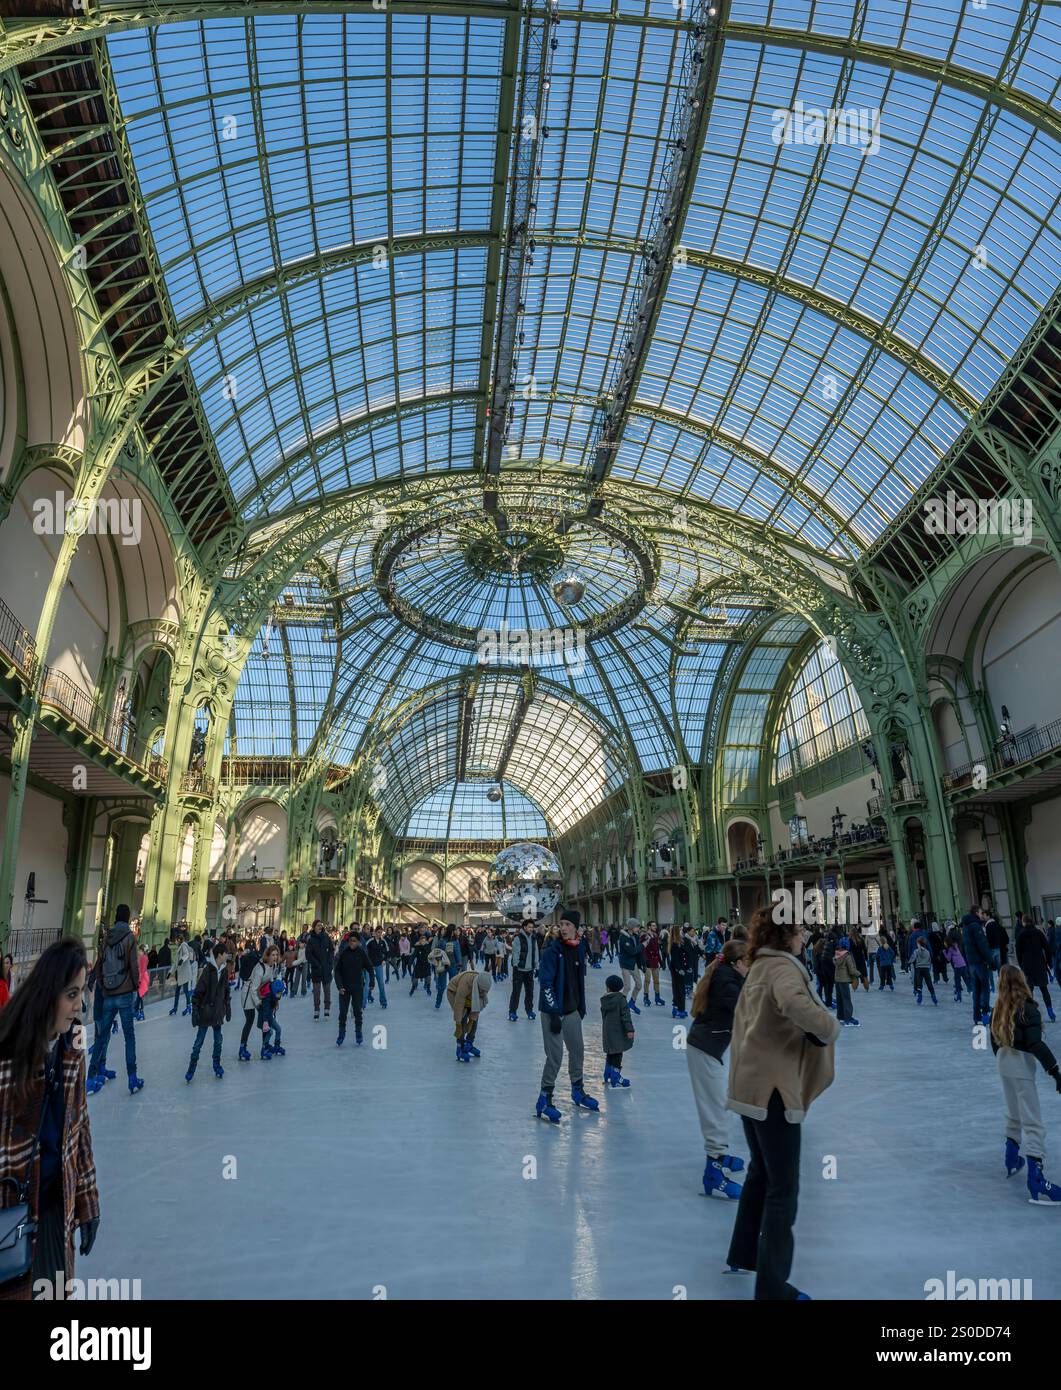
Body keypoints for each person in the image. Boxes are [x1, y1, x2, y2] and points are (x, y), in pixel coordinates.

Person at [725, 908, 840, 1300]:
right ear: (787, 932)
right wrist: (829, 1026)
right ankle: (773, 1289)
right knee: (783, 1189)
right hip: (774, 1092)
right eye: (801, 927)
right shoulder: (783, 968)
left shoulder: (759, 966)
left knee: (760, 1171)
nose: (805, 934)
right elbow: (796, 1006)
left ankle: (743, 1251)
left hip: (749, 1086)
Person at [0, 939, 100, 1302]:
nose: (80, 1004)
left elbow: (81, 1127)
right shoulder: (8, 1055)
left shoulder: (72, 1047)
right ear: (48, 993)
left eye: (82, 992)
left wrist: (88, 1202)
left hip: (57, 1209)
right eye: (71, 994)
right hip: (12, 1214)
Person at [990, 964, 1061, 1204]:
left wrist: (1003, 1059)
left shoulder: (998, 1006)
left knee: (1013, 1112)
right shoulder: (1027, 1009)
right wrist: (1055, 1072)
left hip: (1004, 1063)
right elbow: (1035, 1044)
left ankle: (1012, 1160)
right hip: (1020, 1066)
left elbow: (993, 1040)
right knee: (1033, 1121)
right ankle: (1037, 1180)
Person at [687, 940, 748, 1198]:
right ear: (737, 963)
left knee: (719, 1104)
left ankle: (720, 1156)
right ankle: (714, 1173)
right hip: (704, 1049)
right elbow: (744, 1011)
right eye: (749, 962)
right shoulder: (727, 982)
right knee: (716, 1110)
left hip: (708, 1048)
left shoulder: (727, 975)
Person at [535, 909, 598, 1121]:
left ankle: (577, 1090)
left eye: (567, 924)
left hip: (572, 1010)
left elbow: (580, 979)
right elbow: (545, 984)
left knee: (578, 1050)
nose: (563, 928)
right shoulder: (553, 951)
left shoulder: (579, 948)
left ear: (576, 928)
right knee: (555, 1056)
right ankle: (544, 1098)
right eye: (561, 924)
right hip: (552, 1011)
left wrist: (581, 1007)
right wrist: (553, 1013)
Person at [86, 905, 143, 1096]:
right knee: (129, 1037)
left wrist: (103, 986)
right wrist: (135, 986)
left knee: (102, 1037)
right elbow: (134, 966)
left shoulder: (106, 939)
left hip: (109, 993)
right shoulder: (129, 938)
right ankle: (132, 1079)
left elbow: (99, 966)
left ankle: (90, 1077)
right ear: (127, 919)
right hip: (125, 994)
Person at [185, 942, 231, 1082]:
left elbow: (226, 991)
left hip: (217, 1012)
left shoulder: (224, 971)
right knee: (199, 1042)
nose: (227, 956)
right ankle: (191, 1067)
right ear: (219, 955)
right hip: (205, 1012)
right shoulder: (208, 970)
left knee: (218, 1041)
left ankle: (216, 1065)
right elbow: (198, 993)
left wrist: (227, 1007)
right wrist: (195, 1011)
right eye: (225, 954)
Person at [335, 931, 372, 1047]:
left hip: (357, 987)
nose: (352, 943)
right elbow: (337, 971)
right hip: (344, 988)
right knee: (343, 1013)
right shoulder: (344, 953)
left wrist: (372, 981)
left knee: (357, 1012)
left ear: (358, 942)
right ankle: (341, 1033)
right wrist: (339, 986)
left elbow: (370, 967)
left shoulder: (361, 953)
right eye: (350, 941)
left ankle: (358, 1033)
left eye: (354, 941)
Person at [448, 965, 491, 1062]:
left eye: (485, 991)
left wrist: (471, 1021)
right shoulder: (466, 983)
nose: (483, 993)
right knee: (462, 1017)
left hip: (469, 997)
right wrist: (457, 1023)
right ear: (478, 985)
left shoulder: (482, 988)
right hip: (454, 992)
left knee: (474, 1020)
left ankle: (469, 1043)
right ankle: (460, 1047)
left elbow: (477, 1007)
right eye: (482, 991)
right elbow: (459, 1004)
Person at [1016, 917, 1055, 1021]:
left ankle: (1030, 1013)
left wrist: (1021, 965)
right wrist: (1049, 963)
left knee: (1029, 990)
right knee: (1044, 989)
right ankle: (1050, 1011)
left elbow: (1018, 952)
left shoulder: (1021, 934)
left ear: (1023, 922)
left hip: (1027, 966)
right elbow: (1047, 948)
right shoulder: (1038, 933)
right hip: (1040, 964)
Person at [600, 974, 635, 1089]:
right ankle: (616, 1077)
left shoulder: (604, 1000)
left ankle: (607, 1073)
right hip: (618, 1031)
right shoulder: (621, 1000)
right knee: (618, 1053)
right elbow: (626, 1016)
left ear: (608, 988)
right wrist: (630, 1029)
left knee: (610, 1052)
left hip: (608, 1031)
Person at [961, 905, 993, 1025]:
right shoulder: (976, 926)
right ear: (976, 912)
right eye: (980, 912)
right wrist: (990, 961)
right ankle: (985, 1014)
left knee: (976, 989)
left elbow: (963, 946)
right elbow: (982, 945)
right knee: (985, 987)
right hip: (980, 962)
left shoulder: (966, 927)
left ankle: (976, 1015)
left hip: (971, 963)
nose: (981, 914)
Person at [508, 920, 538, 1021]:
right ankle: (512, 1012)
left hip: (529, 970)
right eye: (529, 927)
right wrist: (515, 966)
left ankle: (529, 1010)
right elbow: (515, 952)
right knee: (516, 992)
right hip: (519, 970)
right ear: (524, 927)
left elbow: (536, 952)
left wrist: (536, 966)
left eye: (532, 927)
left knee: (530, 992)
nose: (531, 929)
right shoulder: (518, 938)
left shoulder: (534, 938)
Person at [306, 920, 334, 1021]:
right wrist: (316, 964)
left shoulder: (326, 937)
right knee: (317, 992)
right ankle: (316, 1010)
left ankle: (327, 1009)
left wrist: (330, 963)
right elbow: (308, 954)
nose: (320, 927)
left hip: (326, 968)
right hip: (316, 969)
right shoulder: (311, 939)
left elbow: (331, 950)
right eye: (318, 925)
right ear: (314, 927)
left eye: (321, 925)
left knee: (327, 991)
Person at [617, 918, 644, 1014]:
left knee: (639, 985)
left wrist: (643, 964)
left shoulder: (635, 936)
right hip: (625, 964)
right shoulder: (623, 937)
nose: (638, 928)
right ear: (631, 927)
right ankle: (622, 1005)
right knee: (627, 986)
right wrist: (642, 945)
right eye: (637, 926)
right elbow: (632, 951)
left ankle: (632, 1002)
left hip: (633, 964)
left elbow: (638, 953)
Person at [833, 936, 862, 1026]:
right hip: (844, 980)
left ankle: (840, 1016)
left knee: (840, 999)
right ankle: (848, 1019)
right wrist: (859, 974)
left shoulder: (837, 955)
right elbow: (852, 970)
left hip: (837, 980)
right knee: (846, 1000)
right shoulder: (847, 956)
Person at [668, 925, 691, 1019]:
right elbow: (675, 959)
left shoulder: (679, 942)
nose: (682, 932)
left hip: (680, 968)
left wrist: (687, 967)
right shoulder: (674, 943)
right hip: (677, 969)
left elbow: (684, 956)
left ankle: (678, 1008)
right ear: (678, 932)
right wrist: (679, 969)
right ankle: (679, 1008)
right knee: (678, 988)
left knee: (679, 988)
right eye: (680, 930)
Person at [642, 923, 665, 1007]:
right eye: (653, 925)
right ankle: (646, 997)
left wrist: (660, 961)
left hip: (655, 962)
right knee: (647, 981)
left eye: (655, 925)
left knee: (657, 981)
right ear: (649, 927)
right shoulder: (645, 936)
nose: (655, 927)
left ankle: (657, 997)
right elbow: (642, 949)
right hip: (648, 962)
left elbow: (657, 950)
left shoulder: (656, 936)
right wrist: (645, 960)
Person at [365, 927, 389, 1009]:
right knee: (368, 984)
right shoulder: (370, 941)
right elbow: (364, 951)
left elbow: (387, 952)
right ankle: (363, 1003)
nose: (379, 934)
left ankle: (383, 1002)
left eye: (381, 932)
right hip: (370, 966)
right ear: (375, 932)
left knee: (381, 984)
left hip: (379, 965)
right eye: (378, 932)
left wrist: (384, 960)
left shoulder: (383, 941)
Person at [910, 936, 938, 1005]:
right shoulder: (927, 952)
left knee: (919, 983)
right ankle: (933, 996)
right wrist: (928, 967)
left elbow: (912, 959)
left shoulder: (916, 951)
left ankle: (920, 997)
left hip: (919, 969)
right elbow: (929, 960)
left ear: (918, 944)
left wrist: (908, 963)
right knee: (929, 983)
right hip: (926, 969)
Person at [429, 939, 451, 1010]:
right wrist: (436, 962)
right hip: (440, 969)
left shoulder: (448, 947)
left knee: (443, 986)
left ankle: (438, 1001)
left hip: (447, 968)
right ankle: (438, 1001)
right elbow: (430, 958)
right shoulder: (437, 950)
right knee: (442, 986)